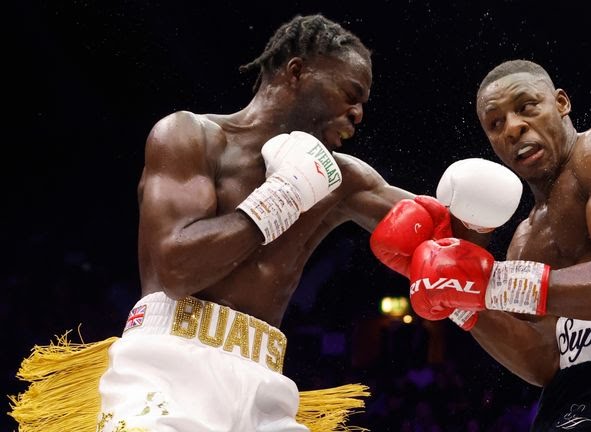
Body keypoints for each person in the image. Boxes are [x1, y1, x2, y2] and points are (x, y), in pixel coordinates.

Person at [11, 14, 416, 432]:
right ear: (296, 71)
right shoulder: (190, 136)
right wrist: (284, 196)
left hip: (264, 390)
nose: (358, 113)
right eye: (351, 94)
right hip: (165, 372)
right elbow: (177, 269)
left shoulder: (340, 178)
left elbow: (433, 227)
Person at [370, 59, 591, 431]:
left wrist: (494, 283)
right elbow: (544, 363)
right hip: (566, 397)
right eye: (496, 124)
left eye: (527, 107)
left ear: (562, 103)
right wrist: (460, 298)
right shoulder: (525, 240)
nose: (513, 127)